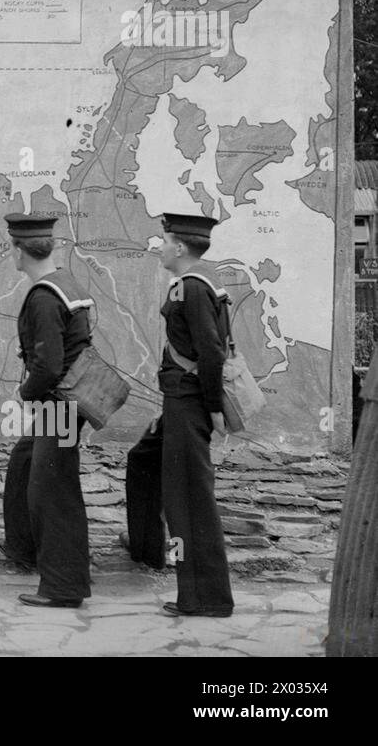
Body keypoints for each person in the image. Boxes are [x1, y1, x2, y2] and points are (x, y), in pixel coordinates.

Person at [123, 212, 234, 618]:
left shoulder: (192, 288)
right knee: (143, 459)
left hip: (190, 403)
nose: (160, 246)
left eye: (164, 240)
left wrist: (214, 409)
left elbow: (211, 352)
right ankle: (148, 548)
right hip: (179, 401)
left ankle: (205, 597)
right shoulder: (198, 282)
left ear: (181, 247)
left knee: (187, 501)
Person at [0, 213, 94, 609]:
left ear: (19, 251)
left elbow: (49, 365)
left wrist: (25, 393)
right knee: (24, 465)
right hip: (70, 401)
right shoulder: (65, 283)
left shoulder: (42, 297)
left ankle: (63, 586)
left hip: (60, 404)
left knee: (53, 492)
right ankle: (23, 549)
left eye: (12, 249)